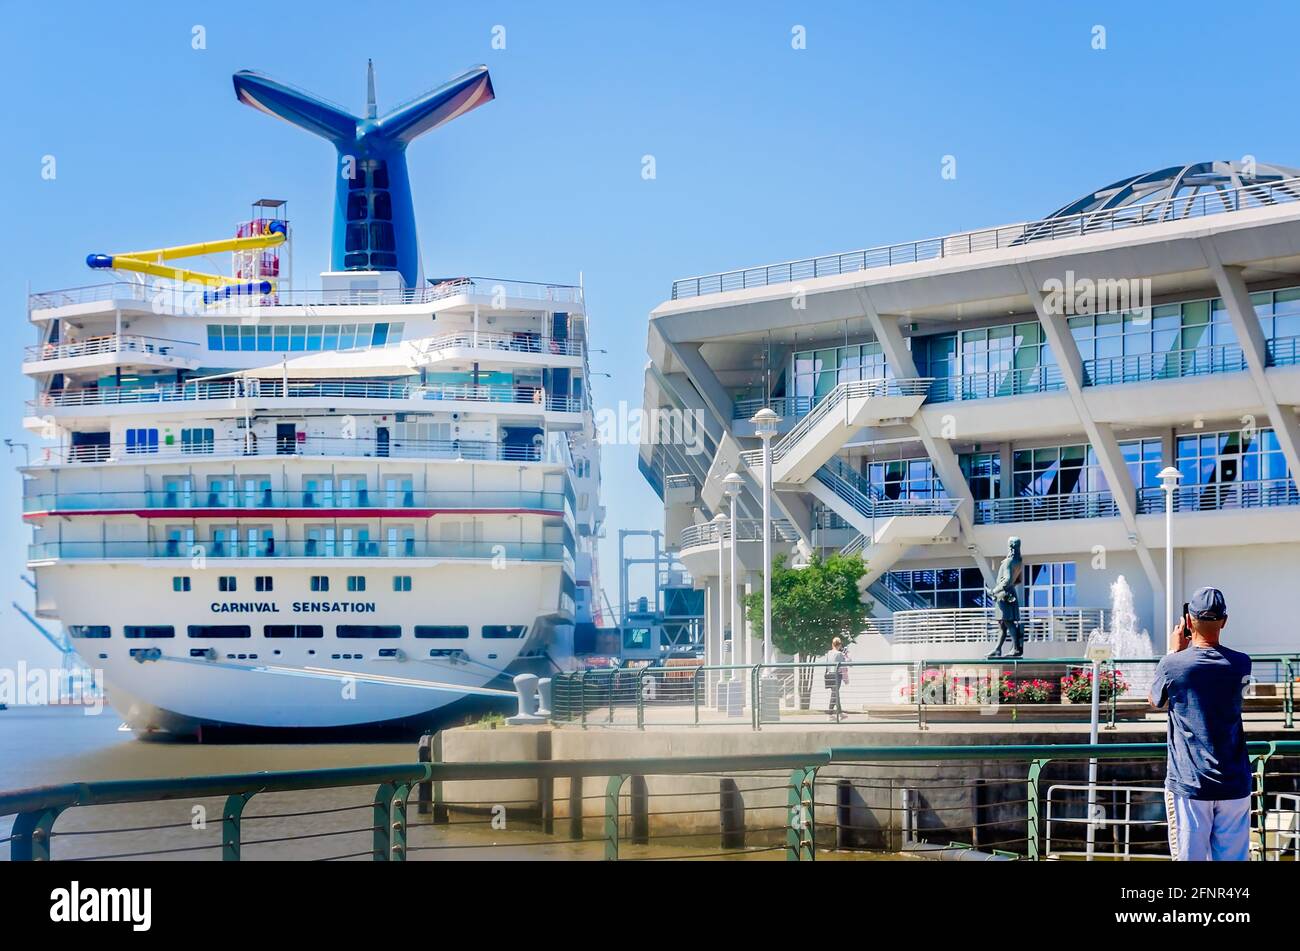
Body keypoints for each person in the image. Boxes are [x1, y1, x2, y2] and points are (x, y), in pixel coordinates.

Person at [1149, 586, 1253, 861]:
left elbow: (1156, 701)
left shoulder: (1173, 665)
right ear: (1224, 621)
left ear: (1188, 621)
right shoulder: (1242, 664)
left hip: (1190, 782)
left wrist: (1173, 652)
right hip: (1234, 782)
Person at [825, 636, 849, 722]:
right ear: (840, 645)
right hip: (837, 675)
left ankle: (840, 713)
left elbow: (827, 664)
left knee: (835, 694)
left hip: (829, 675)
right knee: (834, 694)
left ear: (832, 644)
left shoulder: (829, 653)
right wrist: (845, 654)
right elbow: (846, 662)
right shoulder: (839, 654)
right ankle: (830, 714)